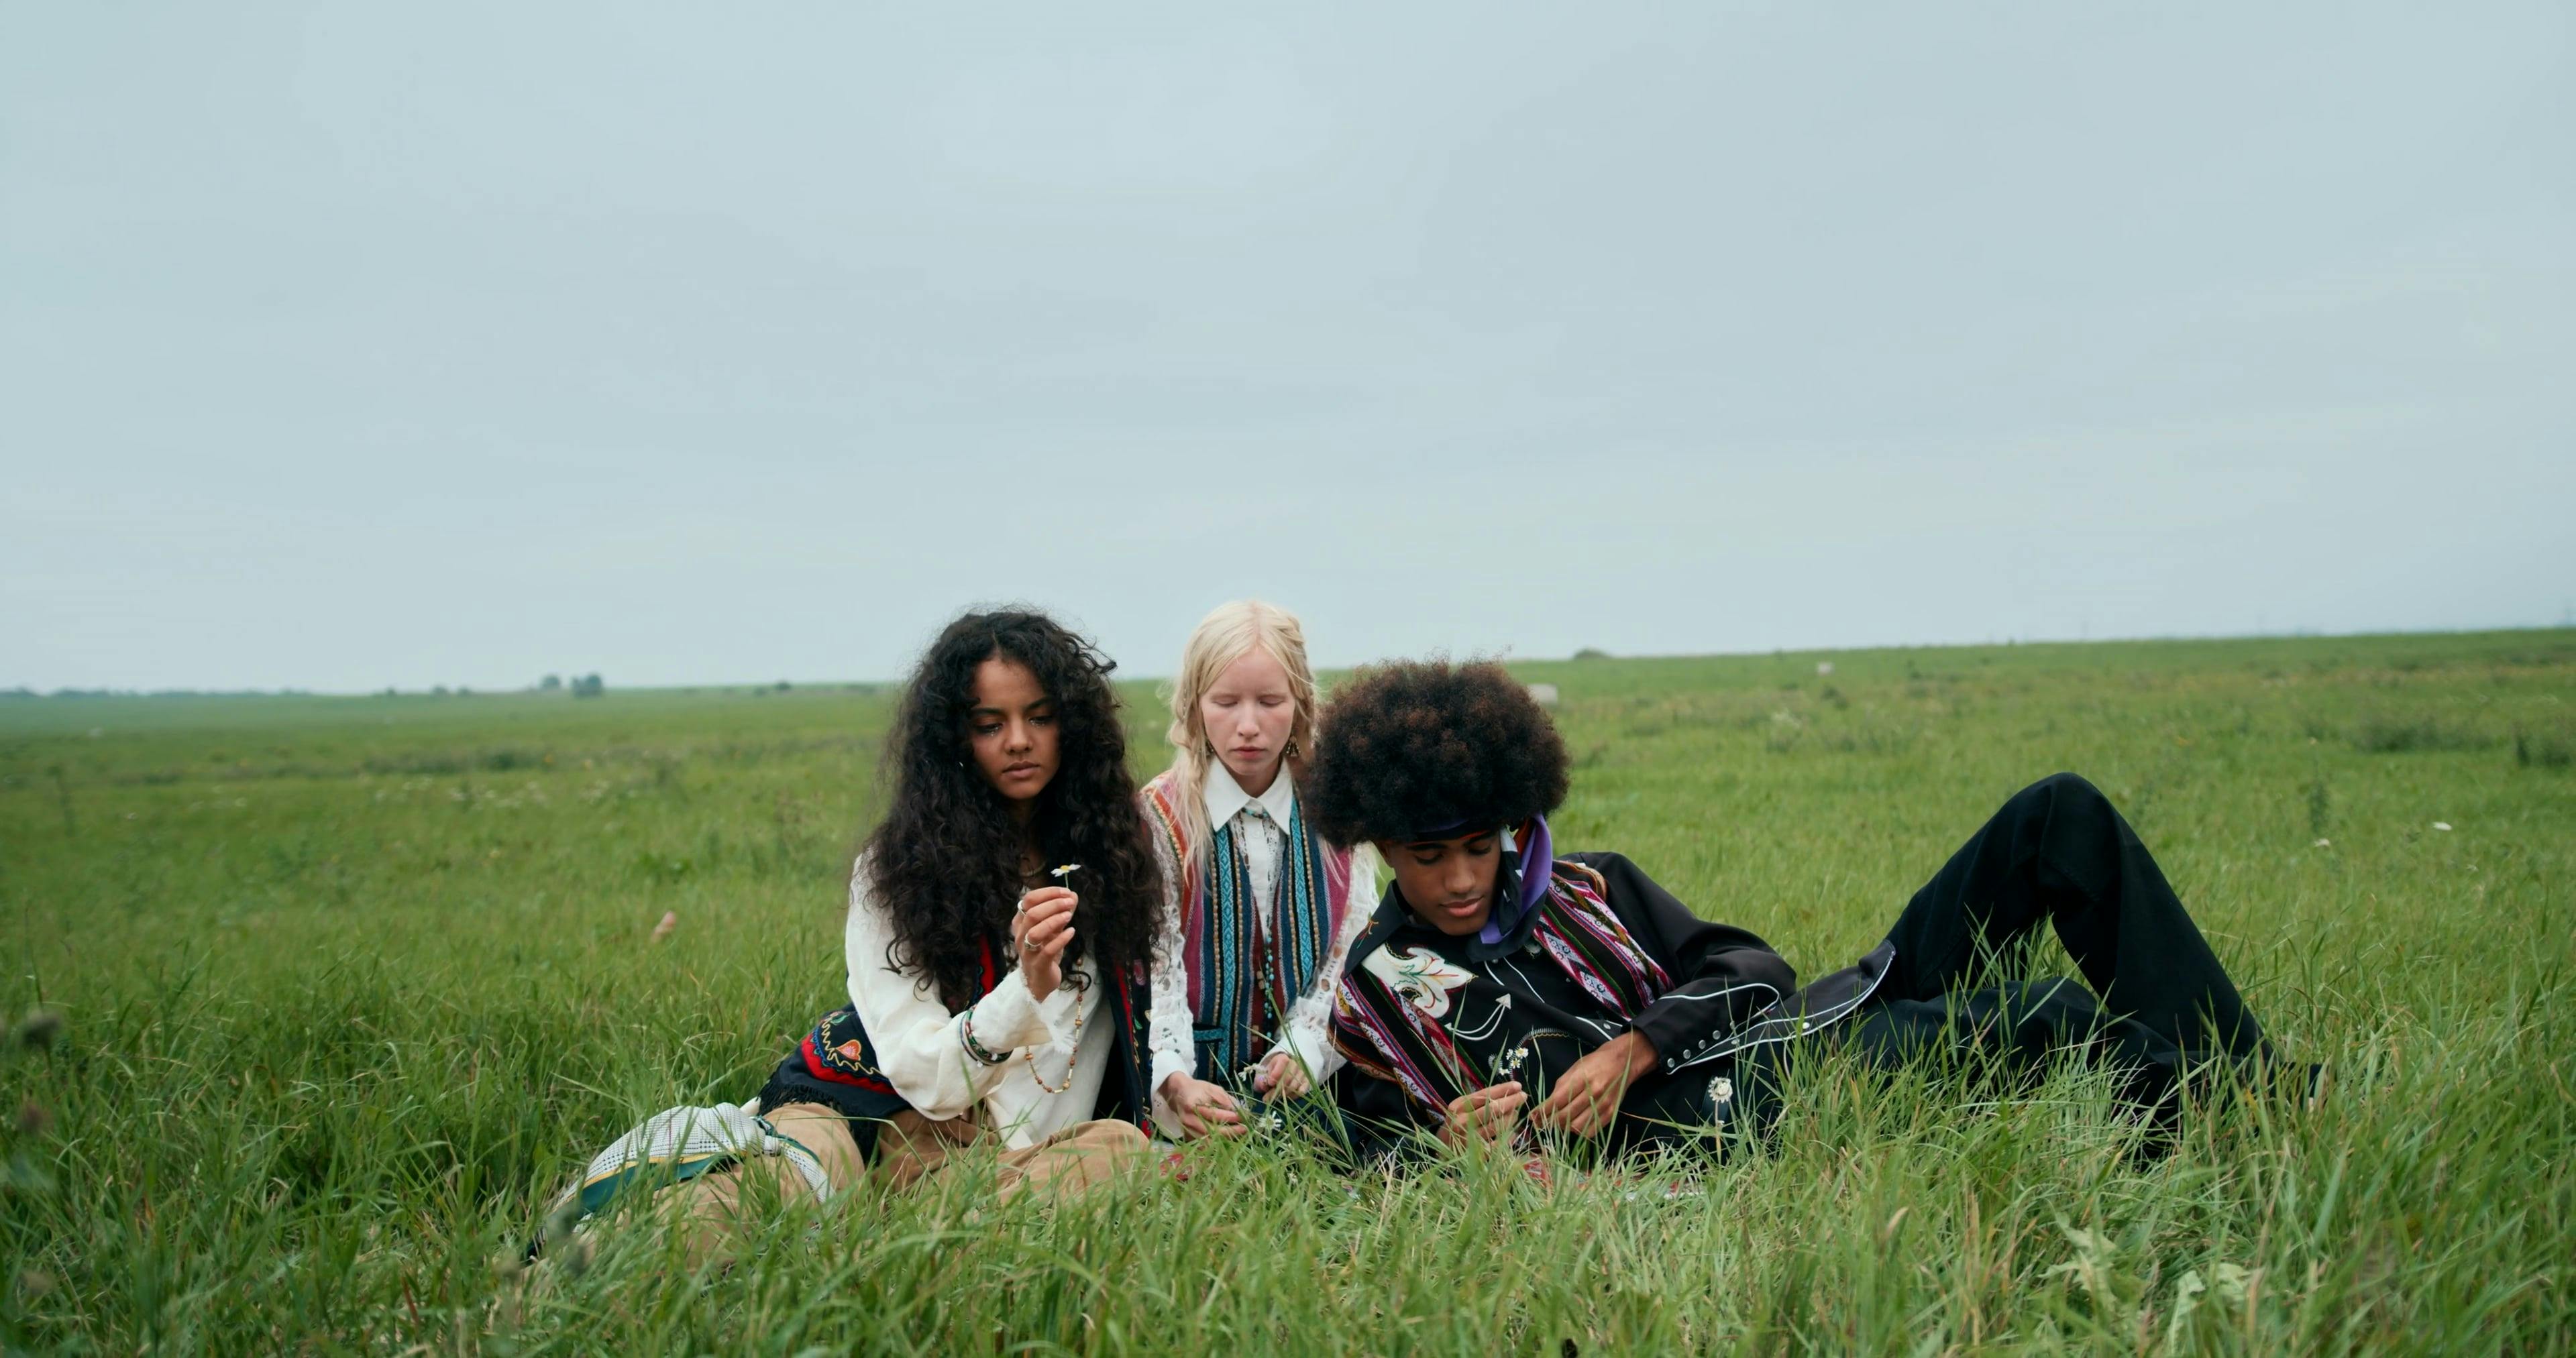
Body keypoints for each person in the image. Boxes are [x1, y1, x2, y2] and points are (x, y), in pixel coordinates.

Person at [1305, 659, 2292, 1161]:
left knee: (2059, 814)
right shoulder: (1380, 989)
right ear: (1381, 844)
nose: (1462, 879)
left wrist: (1635, 1046)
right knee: (2048, 1014)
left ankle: (2259, 1083)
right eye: (1429, 858)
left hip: (1814, 1020)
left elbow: (1755, 969)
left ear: (1514, 822)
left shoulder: (1589, 885)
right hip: (1771, 1098)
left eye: (1482, 847)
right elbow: (1363, 1136)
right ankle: (2240, 1110)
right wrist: (1449, 1144)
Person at [549, 610, 1167, 1266]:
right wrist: (1026, 988)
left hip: (992, 1159)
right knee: (772, 1193)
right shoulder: (897, 867)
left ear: (1073, 726)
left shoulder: (1119, 856)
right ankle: (561, 1278)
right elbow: (924, 1076)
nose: (1019, 741)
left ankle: (885, 1247)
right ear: (955, 738)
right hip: (867, 1111)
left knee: (1121, 1154)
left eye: (1040, 718)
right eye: (990, 725)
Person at [1136, 602, 1375, 1140]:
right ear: (1195, 705)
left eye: (1270, 702)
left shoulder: (1336, 812)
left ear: (1300, 703)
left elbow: (1349, 949)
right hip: (1192, 1083)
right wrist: (1174, 1080)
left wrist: (1305, 1045)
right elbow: (1157, 968)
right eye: (1225, 702)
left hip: (1311, 1085)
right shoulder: (1160, 817)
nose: (1248, 726)